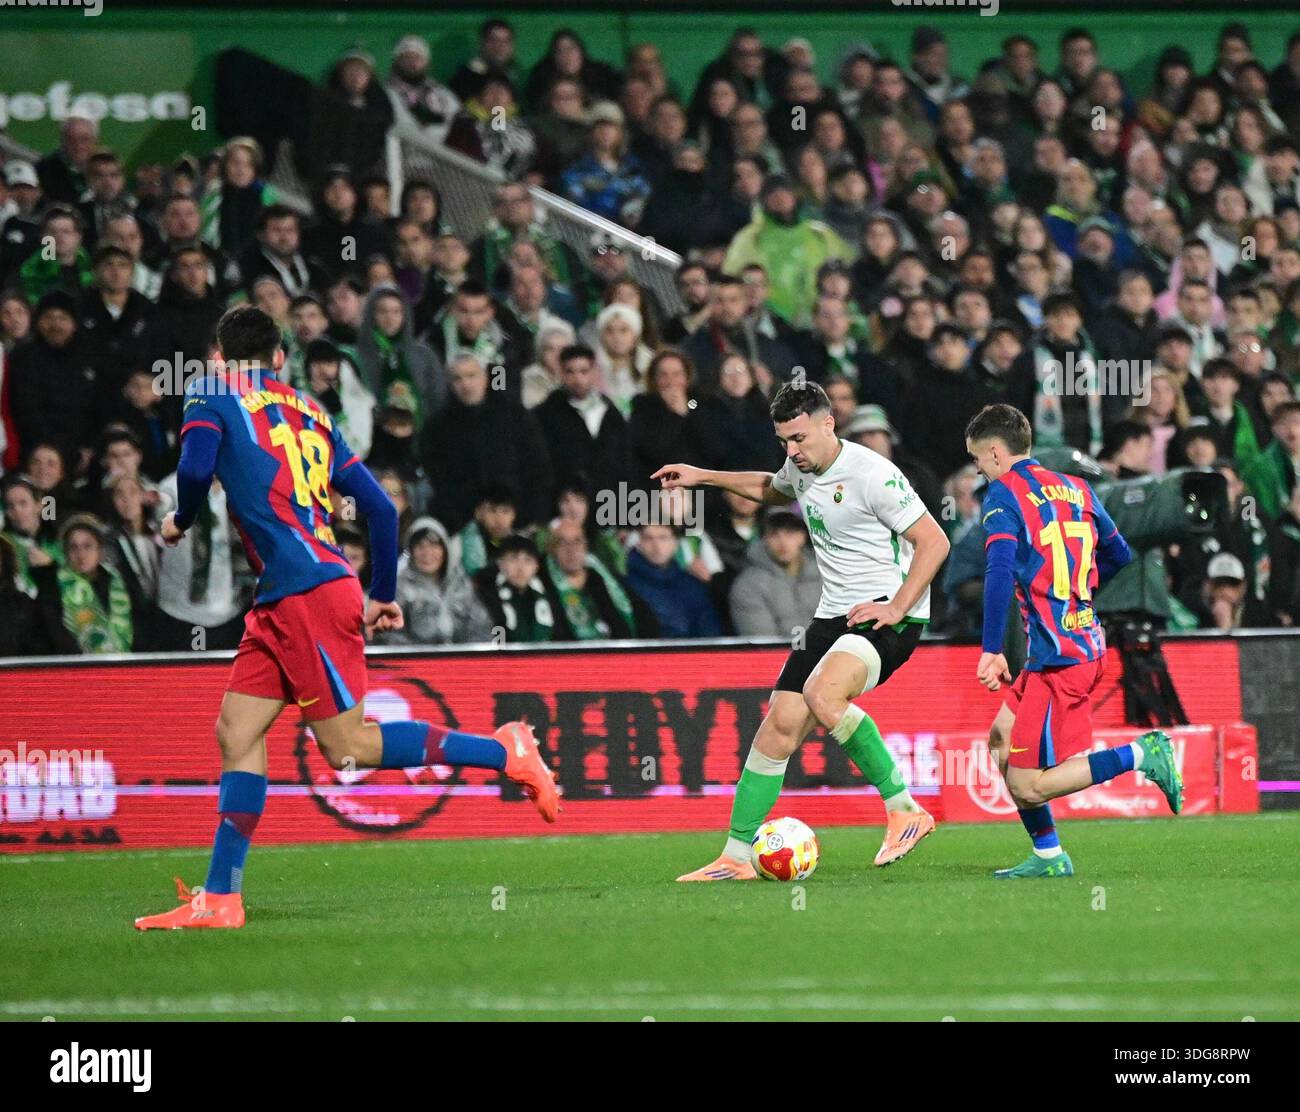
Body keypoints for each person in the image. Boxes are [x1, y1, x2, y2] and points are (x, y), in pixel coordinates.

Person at [134, 306, 557, 931]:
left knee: (348, 749)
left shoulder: (210, 391)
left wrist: (179, 520)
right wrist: (381, 591)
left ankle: (503, 750)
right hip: (290, 593)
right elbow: (382, 511)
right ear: (280, 358)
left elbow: (194, 470)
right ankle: (221, 898)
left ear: (220, 357)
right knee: (236, 732)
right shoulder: (311, 411)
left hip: (305, 591)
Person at [655, 380, 950, 880]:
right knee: (778, 725)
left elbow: (934, 540)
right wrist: (701, 476)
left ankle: (905, 808)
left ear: (827, 424)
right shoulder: (803, 466)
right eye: (784, 441)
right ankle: (737, 856)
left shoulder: (873, 473)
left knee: (822, 694)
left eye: (799, 439)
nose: (792, 451)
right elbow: (771, 486)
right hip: (833, 615)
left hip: (885, 612)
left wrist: (899, 606)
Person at [966, 403, 1184, 879]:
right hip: (1072, 645)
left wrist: (990, 648)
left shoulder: (1003, 496)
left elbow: (999, 568)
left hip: (1060, 658)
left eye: (979, 460)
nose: (979, 470)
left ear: (998, 454)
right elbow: (1120, 553)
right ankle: (1048, 856)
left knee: (1026, 786)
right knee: (1001, 739)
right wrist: (1076, 595)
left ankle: (1142, 754)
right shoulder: (1076, 486)